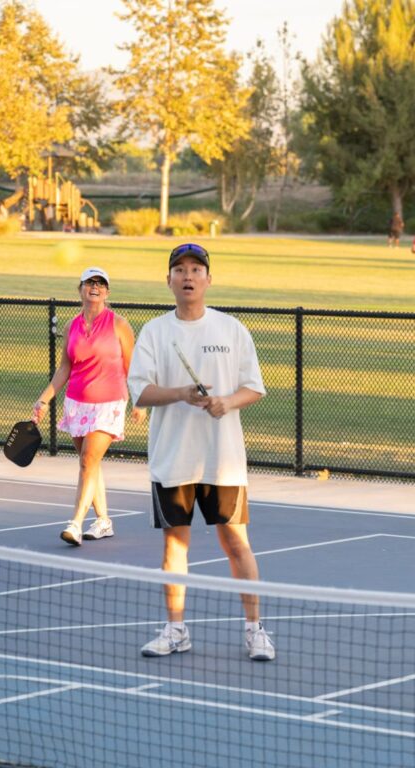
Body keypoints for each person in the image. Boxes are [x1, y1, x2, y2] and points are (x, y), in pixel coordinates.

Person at [127, 242, 275, 662]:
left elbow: (254, 388)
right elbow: (140, 391)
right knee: (174, 547)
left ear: (209, 279)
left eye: (196, 269)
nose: (188, 276)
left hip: (222, 461)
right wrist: (181, 394)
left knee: (236, 543)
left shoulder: (232, 329)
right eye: (180, 270)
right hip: (172, 459)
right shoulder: (154, 332)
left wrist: (227, 402)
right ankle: (176, 630)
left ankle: (255, 630)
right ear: (169, 280)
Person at [32, 267, 136, 546]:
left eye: (100, 283)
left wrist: (139, 402)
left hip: (110, 403)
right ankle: (103, 521)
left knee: (89, 460)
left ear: (107, 292)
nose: (95, 287)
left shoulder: (119, 324)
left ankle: (76, 523)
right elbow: (64, 368)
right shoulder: (71, 326)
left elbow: (133, 366)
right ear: (80, 289)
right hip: (77, 404)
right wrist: (44, 399)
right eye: (90, 282)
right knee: (89, 462)